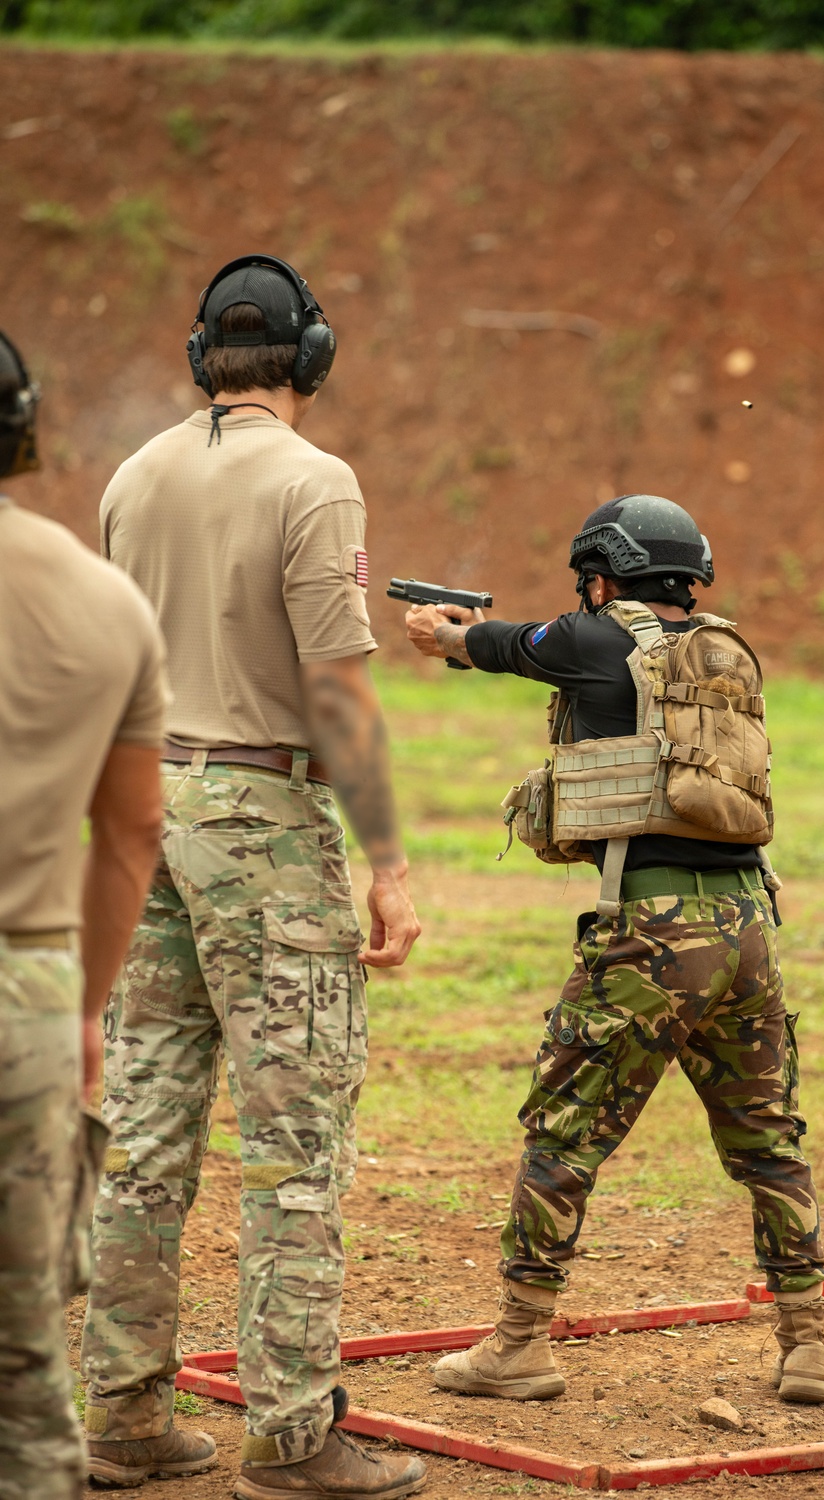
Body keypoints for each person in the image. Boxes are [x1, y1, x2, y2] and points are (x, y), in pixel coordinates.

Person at [80, 256, 426, 1499]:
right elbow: (335, 687)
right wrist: (385, 862)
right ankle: (288, 1435)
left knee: (145, 1134)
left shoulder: (133, 475)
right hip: (261, 820)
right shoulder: (314, 480)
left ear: (200, 357)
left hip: (143, 804)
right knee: (293, 1142)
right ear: (312, 360)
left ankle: (120, 1416)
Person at [405, 494, 824, 1410]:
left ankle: (518, 1346)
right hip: (749, 925)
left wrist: (443, 635)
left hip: (650, 932)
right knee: (768, 1141)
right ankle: (807, 1350)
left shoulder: (595, 637)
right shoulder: (718, 648)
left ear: (605, 574)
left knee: (563, 1134)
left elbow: (498, 645)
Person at [0, 331, 168, 1500]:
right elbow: (133, 833)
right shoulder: (106, 605)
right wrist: (88, 1004)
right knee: (23, 1368)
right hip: (30, 995)